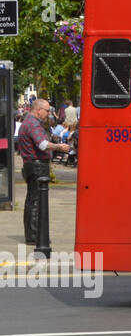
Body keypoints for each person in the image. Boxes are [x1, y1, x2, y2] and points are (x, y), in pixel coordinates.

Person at [15, 98, 70, 247]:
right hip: (37, 166)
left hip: (31, 166)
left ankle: (32, 234)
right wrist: (59, 147)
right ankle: (34, 236)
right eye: (47, 111)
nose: (49, 114)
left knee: (32, 200)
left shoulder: (28, 122)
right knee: (36, 202)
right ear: (38, 110)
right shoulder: (33, 123)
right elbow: (42, 144)